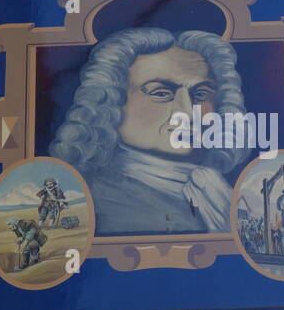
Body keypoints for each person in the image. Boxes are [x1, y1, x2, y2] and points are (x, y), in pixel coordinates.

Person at [49, 26, 249, 235]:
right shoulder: (96, 202)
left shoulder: (216, 190)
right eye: (161, 93)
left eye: (200, 94)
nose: (188, 113)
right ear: (110, 104)